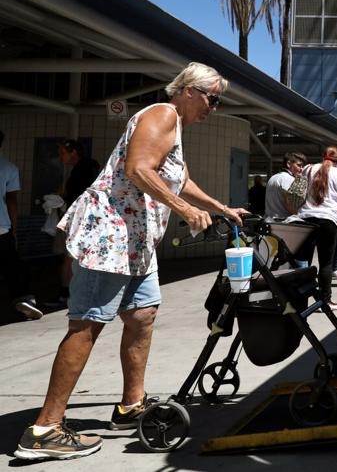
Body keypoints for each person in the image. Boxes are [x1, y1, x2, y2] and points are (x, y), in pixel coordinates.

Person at [17, 62, 249, 461]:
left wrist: (219, 207)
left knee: (143, 315)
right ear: (189, 91)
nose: (215, 106)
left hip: (136, 243)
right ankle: (44, 429)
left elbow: (181, 180)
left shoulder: (174, 127)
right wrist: (183, 209)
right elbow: (138, 168)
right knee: (87, 323)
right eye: (213, 98)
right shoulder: (162, 113)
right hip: (111, 236)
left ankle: (130, 407)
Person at [288, 145, 337, 312]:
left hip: (305, 219)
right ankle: (325, 301)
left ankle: (298, 301)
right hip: (328, 221)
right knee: (326, 264)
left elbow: (295, 191)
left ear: (323, 155)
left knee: (303, 262)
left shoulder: (308, 169)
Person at [0, 130, 42, 322]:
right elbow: (12, 201)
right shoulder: (9, 167)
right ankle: (22, 298)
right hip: (1, 227)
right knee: (12, 266)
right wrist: (14, 228)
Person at [54, 140, 102, 303]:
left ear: (74, 152)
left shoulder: (85, 168)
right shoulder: (84, 168)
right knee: (74, 257)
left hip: (81, 219)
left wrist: (64, 197)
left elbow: (80, 193)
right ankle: (72, 291)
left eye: (62, 153)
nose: (60, 157)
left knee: (70, 257)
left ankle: (66, 292)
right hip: (85, 219)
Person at [264, 152, 306, 220]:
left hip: (269, 221)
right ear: (289, 164)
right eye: (299, 165)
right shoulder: (290, 179)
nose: (301, 169)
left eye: (302, 166)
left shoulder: (273, 178)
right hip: (284, 223)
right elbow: (291, 205)